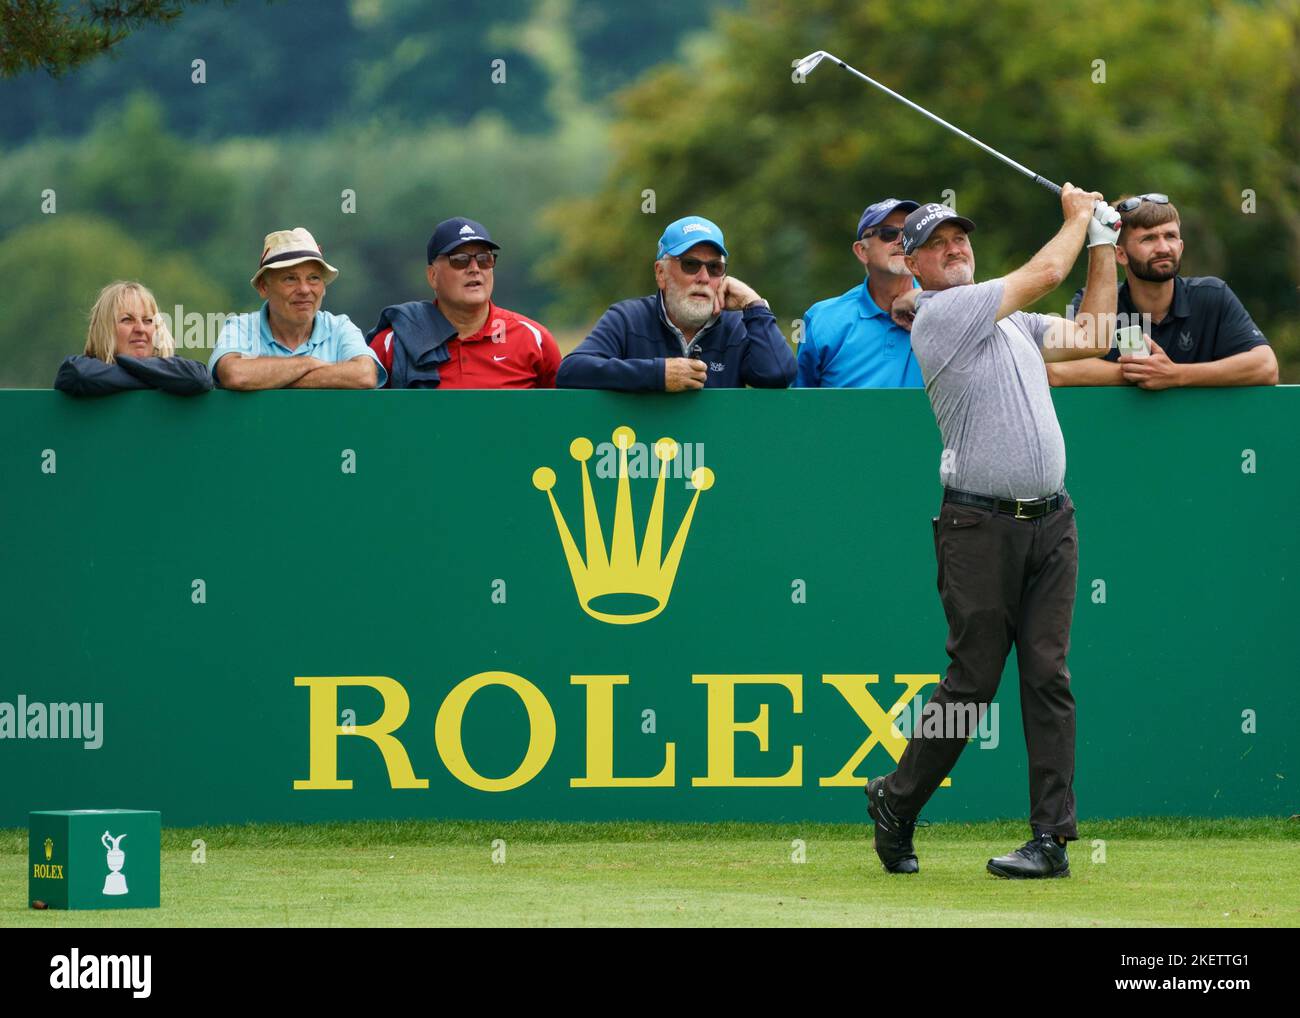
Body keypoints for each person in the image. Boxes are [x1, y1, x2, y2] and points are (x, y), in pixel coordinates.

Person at [869, 190, 1120, 879]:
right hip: (977, 526)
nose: (956, 248)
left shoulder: (1012, 324)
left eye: (961, 239)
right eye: (938, 243)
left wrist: (1102, 243)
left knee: (1049, 676)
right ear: (913, 264)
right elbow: (1042, 274)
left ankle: (1051, 840)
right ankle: (897, 802)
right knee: (972, 684)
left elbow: (1095, 335)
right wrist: (1076, 217)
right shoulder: (942, 315)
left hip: (1051, 521)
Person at [1049, 194, 1277, 388]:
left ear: (1181, 246)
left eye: (1170, 236)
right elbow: (1057, 369)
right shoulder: (1096, 301)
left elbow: (1265, 367)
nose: (1163, 248)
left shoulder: (1212, 294)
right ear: (1120, 254)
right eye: (1148, 239)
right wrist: (1140, 373)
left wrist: (1175, 375)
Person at [556, 215, 796, 391]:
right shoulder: (628, 318)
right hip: (645, 456)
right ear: (661, 273)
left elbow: (778, 374)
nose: (703, 277)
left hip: (717, 456)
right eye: (690, 265)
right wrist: (657, 374)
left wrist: (753, 305)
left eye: (714, 267)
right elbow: (571, 372)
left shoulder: (738, 326)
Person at [366, 217, 560, 388]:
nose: (474, 268)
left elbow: (566, 415)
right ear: (433, 276)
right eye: (460, 260)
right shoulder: (393, 342)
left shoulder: (534, 339)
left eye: (484, 259)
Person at [209, 228, 385, 390]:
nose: (304, 290)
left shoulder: (340, 327)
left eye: (314, 278)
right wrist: (308, 363)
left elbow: (365, 374)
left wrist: (271, 377)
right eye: (290, 279)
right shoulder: (241, 327)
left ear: (323, 287)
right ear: (264, 287)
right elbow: (234, 374)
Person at [797, 198, 923, 388]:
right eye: (888, 233)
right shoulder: (822, 319)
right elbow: (798, 405)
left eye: (909, 234)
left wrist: (925, 298)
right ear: (862, 251)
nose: (901, 241)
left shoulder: (944, 309)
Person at [54, 281, 212, 396]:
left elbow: (199, 378)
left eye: (148, 321)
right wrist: (156, 378)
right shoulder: (81, 368)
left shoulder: (178, 370)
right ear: (104, 329)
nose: (140, 329)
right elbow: (80, 375)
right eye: (127, 320)